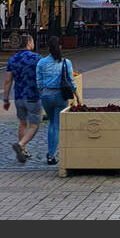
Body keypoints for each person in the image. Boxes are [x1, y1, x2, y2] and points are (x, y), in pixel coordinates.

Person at [33, 36, 76, 165]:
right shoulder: (65, 62)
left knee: (52, 123)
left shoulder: (41, 62)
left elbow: (39, 81)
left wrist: (43, 91)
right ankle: (52, 154)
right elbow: (71, 81)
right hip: (60, 96)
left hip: (46, 95)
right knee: (56, 125)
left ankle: (51, 153)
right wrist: (76, 95)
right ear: (60, 47)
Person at [2, 33, 42, 163]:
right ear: (29, 43)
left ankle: (23, 151)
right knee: (35, 124)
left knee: (22, 123)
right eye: (33, 42)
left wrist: (6, 99)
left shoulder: (12, 60)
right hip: (33, 95)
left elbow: (8, 81)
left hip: (18, 97)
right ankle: (20, 145)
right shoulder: (37, 58)